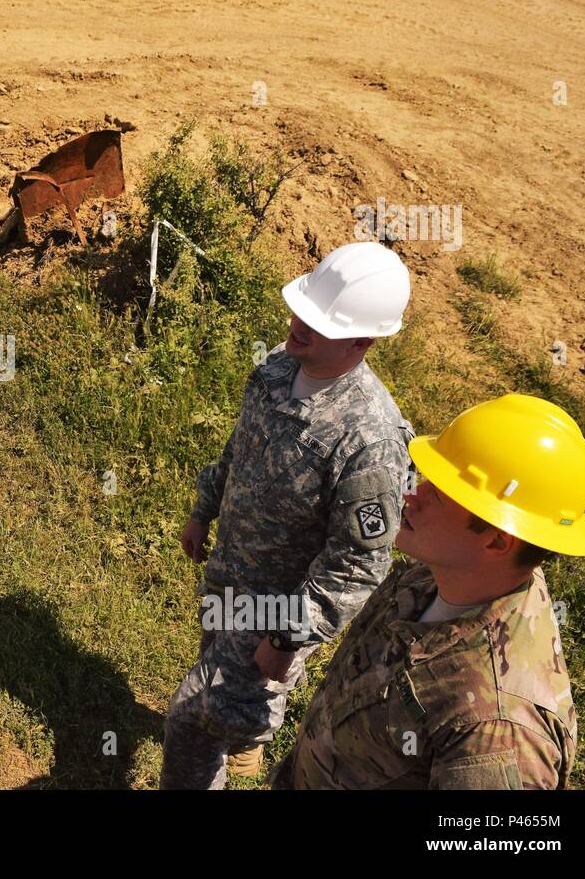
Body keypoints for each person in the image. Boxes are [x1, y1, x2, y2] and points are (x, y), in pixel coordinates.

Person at [161, 242, 414, 789]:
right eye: (302, 307)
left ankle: (228, 732)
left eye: (318, 322)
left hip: (274, 611)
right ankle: (242, 732)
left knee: (190, 718)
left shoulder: (370, 438)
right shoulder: (281, 364)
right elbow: (240, 447)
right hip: (228, 574)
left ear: (363, 341)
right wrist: (204, 509)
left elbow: (359, 563)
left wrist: (285, 639)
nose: (297, 323)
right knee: (217, 678)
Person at [272, 393, 585, 789]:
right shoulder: (453, 573)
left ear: (497, 541)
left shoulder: (498, 731)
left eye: (439, 495)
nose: (412, 494)